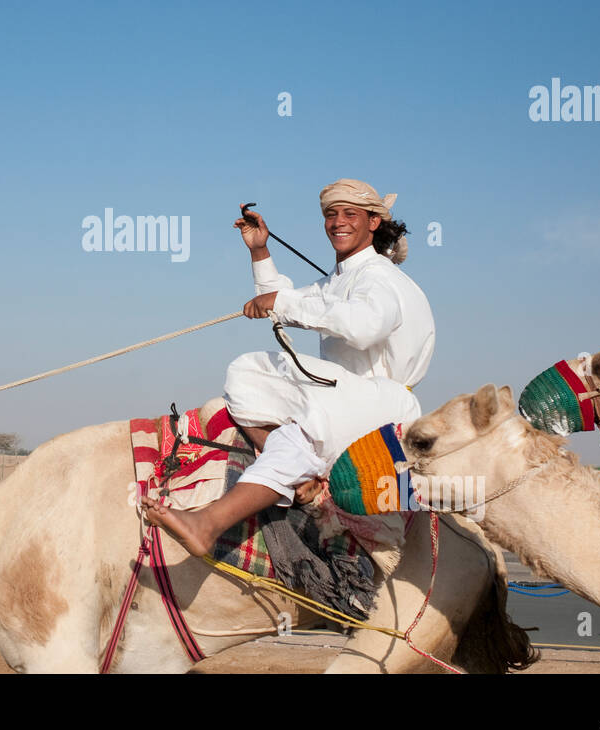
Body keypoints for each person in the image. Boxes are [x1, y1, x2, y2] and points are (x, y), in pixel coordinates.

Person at [142, 179, 435, 556]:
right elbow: (293, 300)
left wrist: (281, 301)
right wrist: (260, 251)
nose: (338, 222)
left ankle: (209, 523)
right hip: (344, 394)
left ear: (373, 222)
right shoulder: (341, 280)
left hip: (385, 404)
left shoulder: (380, 277)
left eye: (350, 214)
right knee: (246, 373)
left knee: (313, 417)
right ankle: (301, 475)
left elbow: (363, 327)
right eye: (331, 214)